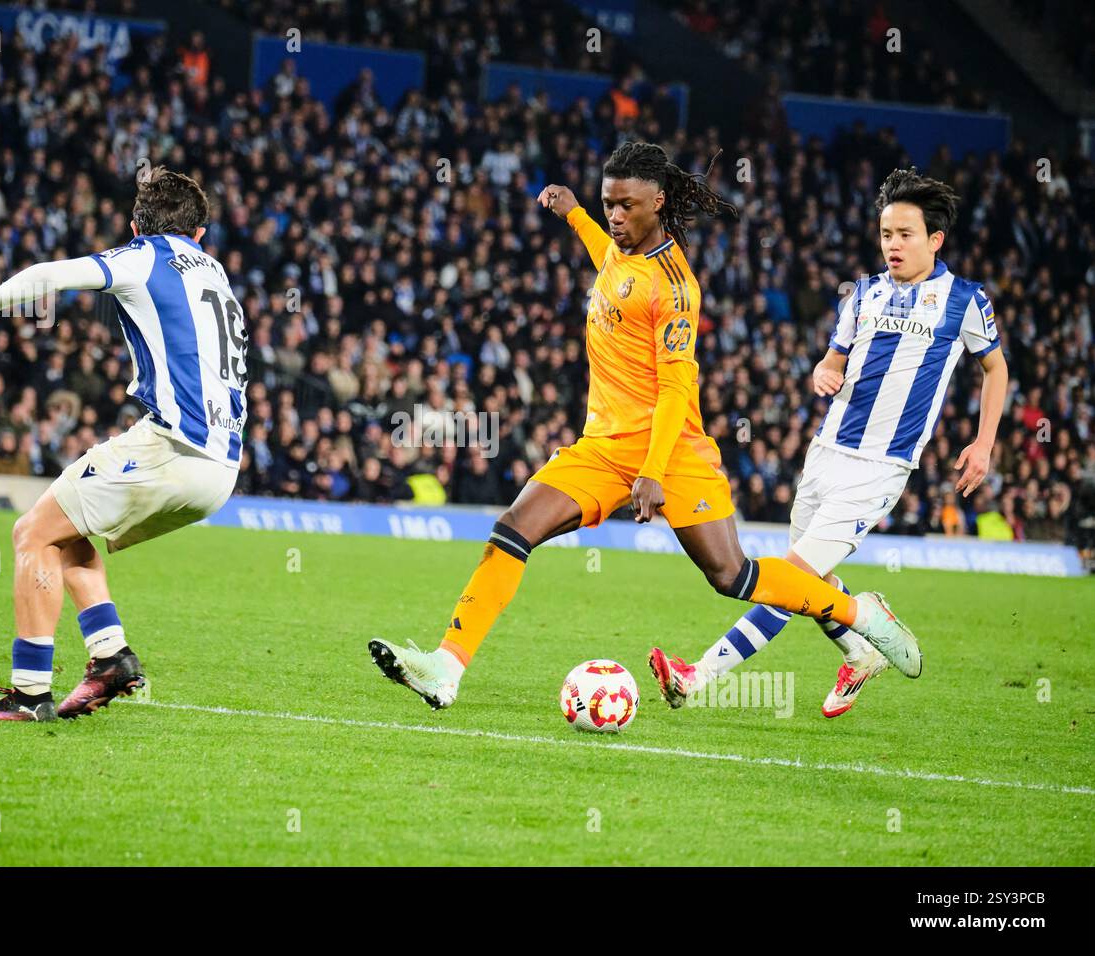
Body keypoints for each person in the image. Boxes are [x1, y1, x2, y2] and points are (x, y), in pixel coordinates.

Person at [369, 141, 922, 711]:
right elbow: (604, 257)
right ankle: (445, 668)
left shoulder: (675, 287)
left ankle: (861, 614)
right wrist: (575, 213)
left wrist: (653, 473)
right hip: (603, 449)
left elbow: (675, 388)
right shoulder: (618, 249)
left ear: (657, 202)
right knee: (512, 529)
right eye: (608, 203)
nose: (615, 216)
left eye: (625, 206)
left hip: (672, 452)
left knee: (732, 576)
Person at [653, 168, 1007, 718]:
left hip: (880, 466)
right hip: (825, 453)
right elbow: (834, 357)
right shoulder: (863, 293)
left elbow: (995, 369)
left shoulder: (964, 300)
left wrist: (984, 444)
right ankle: (861, 650)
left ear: (935, 240)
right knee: (808, 586)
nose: (892, 244)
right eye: (886, 233)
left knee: (789, 576)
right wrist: (824, 370)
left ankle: (697, 675)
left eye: (905, 234)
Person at [0, 167, 247, 722]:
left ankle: (29, 695)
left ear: (135, 227)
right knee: (67, 532)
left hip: (170, 447)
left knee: (30, 532)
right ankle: (110, 657)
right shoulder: (217, 274)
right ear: (201, 235)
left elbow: (48, 274)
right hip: (222, 468)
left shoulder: (144, 255)